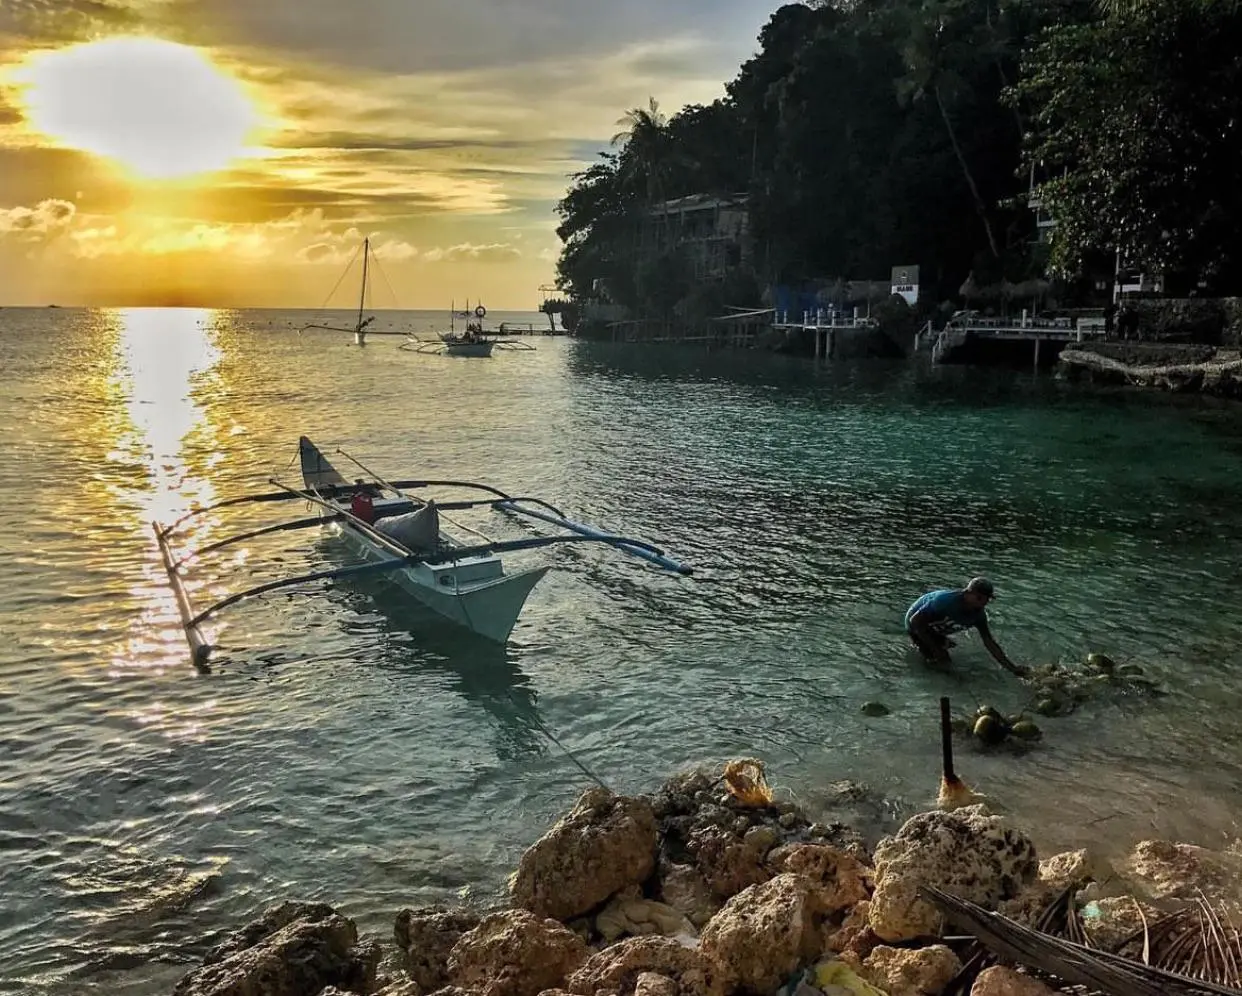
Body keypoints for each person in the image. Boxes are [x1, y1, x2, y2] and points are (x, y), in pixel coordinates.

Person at [904, 577, 1028, 678]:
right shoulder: (945, 602)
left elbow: (989, 642)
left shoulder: (979, 615)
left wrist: (1012, 668)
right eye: (979, 598)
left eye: (987, 600)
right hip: (915, 624)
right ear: (967, 593)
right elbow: (915, 621)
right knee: (943, 660)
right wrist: (937, 650)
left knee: (949, 646)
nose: (983, 603)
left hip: (936, 627)